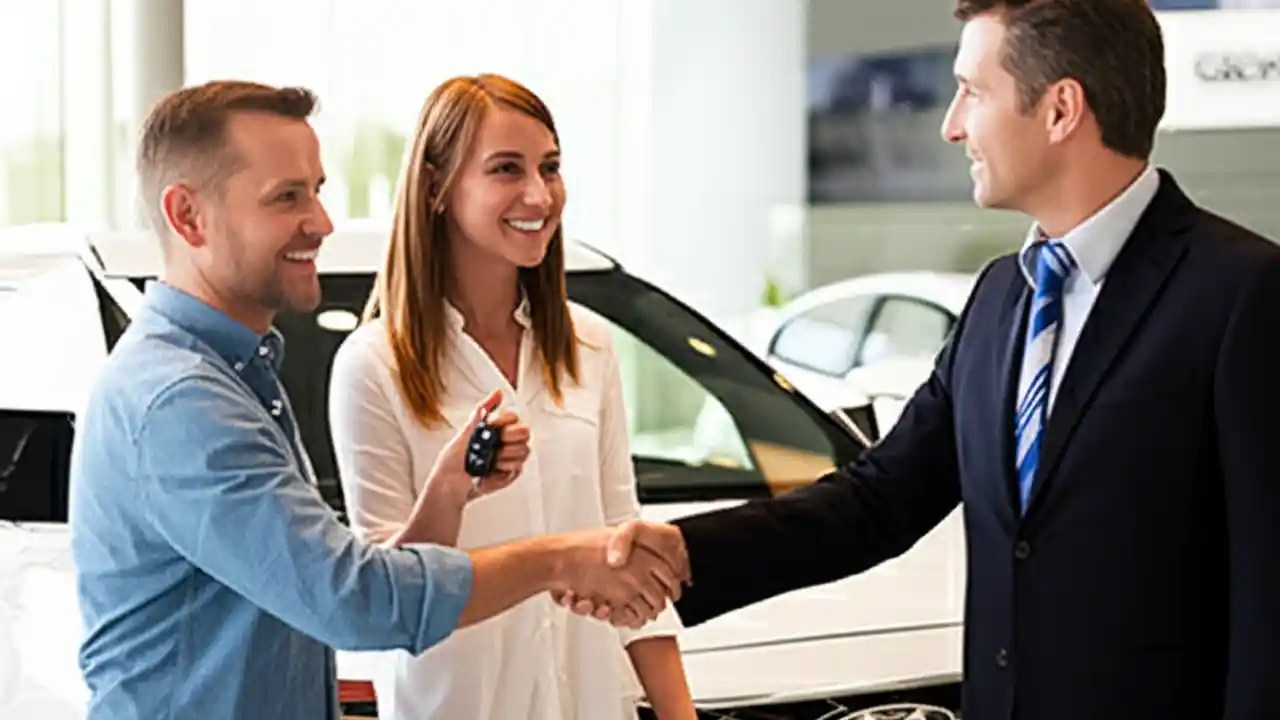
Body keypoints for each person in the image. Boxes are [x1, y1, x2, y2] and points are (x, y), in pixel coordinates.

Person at [580, 1, 1280, 718]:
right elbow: (879, 500)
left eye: (972, 91)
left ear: (1061, 108)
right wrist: (682, 552)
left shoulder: (1242, 296)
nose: (952, 124)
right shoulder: (1003, 296)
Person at [68, 80, 686, 720]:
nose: (322, 221)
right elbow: (355, 599)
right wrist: (563, 558)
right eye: (287, 197)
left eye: (316, 190)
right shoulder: (181, 401)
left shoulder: (236, 375)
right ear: (188, 216)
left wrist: (449, 493)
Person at [327, 73, 696, 720]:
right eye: (506, 169)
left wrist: (679, 715)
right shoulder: (374, 365)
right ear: (436, 187)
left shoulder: (591, 348)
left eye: (549, 168)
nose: (538, 193)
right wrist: (449, 486)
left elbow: (626, 552)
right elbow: (386, 597)